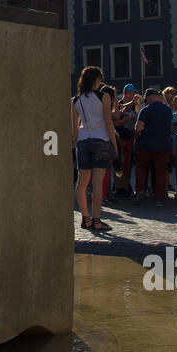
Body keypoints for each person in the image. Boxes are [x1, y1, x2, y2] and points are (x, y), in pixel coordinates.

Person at [72, 66, 116, 232]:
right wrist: (114, 143)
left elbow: (74, 127)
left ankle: (85, 218)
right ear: (96, 80)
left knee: (82, 183)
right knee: (97, 183)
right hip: (100, 139)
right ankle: (97, 220)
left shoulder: (76, 100)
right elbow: (108, 121)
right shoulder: (103, 96)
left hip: (83, 140)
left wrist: (77, 143)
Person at [132, 88, 172, 206]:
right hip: (163, 145)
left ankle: (140, 192)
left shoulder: (145, 110)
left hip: (146, 145)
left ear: (148, 98)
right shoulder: (168, 110)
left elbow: (138, 128)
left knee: (142, 170)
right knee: (160, 172)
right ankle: (159, 197)